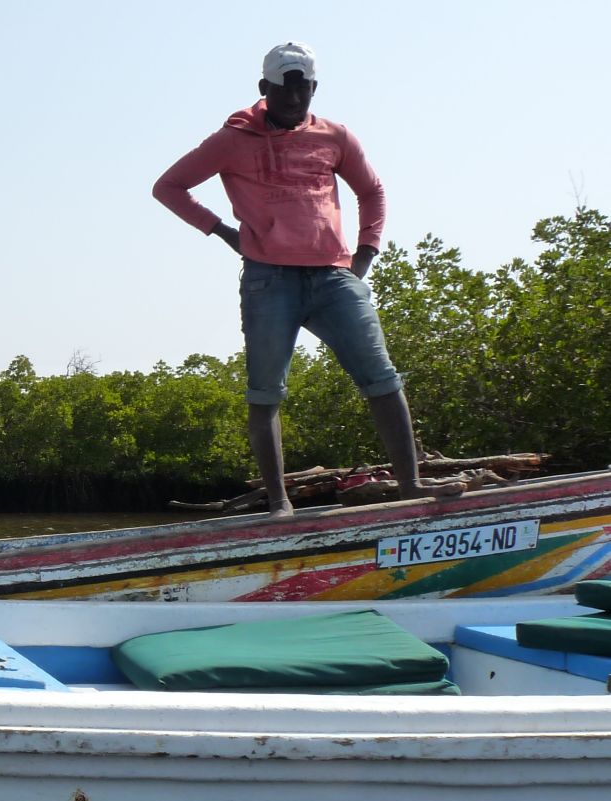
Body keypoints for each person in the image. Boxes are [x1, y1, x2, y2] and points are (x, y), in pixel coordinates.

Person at [153, 41, 462, 517]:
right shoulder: (232, 138)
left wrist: (367, 251)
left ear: (314, 87)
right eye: (285, 88)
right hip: (269, 279)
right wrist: (224, 232)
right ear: (265, 87)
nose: (296, 98)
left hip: (334, 276)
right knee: (266, 392)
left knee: (382, 378)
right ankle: (280, 503)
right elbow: (168, 187)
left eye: (305, 88)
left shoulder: (335, 136)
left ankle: (411, 485)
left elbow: (372, 191)